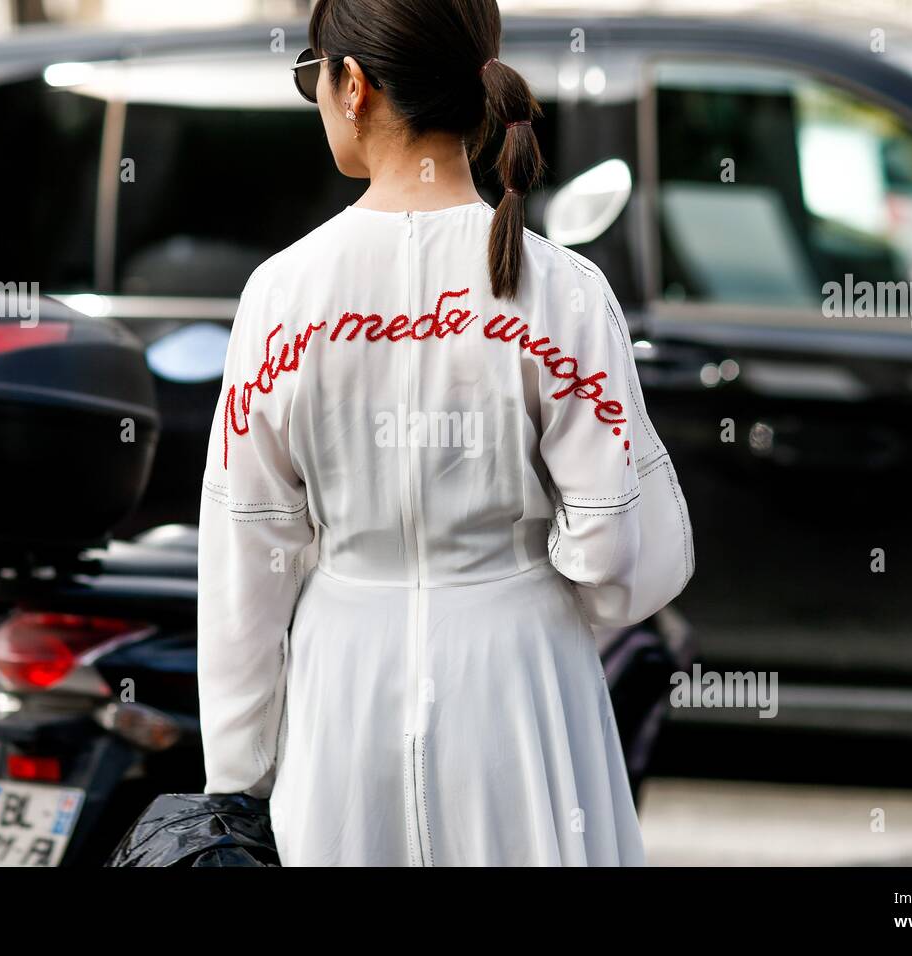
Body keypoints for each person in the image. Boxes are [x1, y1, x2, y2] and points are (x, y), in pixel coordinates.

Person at [196, 0, 694, 866]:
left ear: (354, 85)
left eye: (315, 74)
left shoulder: (281, 296)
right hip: (522, 685)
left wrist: (238, 774)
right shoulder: (565, 292)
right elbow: (618, 557)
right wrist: (526, 577)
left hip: (344, 691)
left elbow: (248, 559)